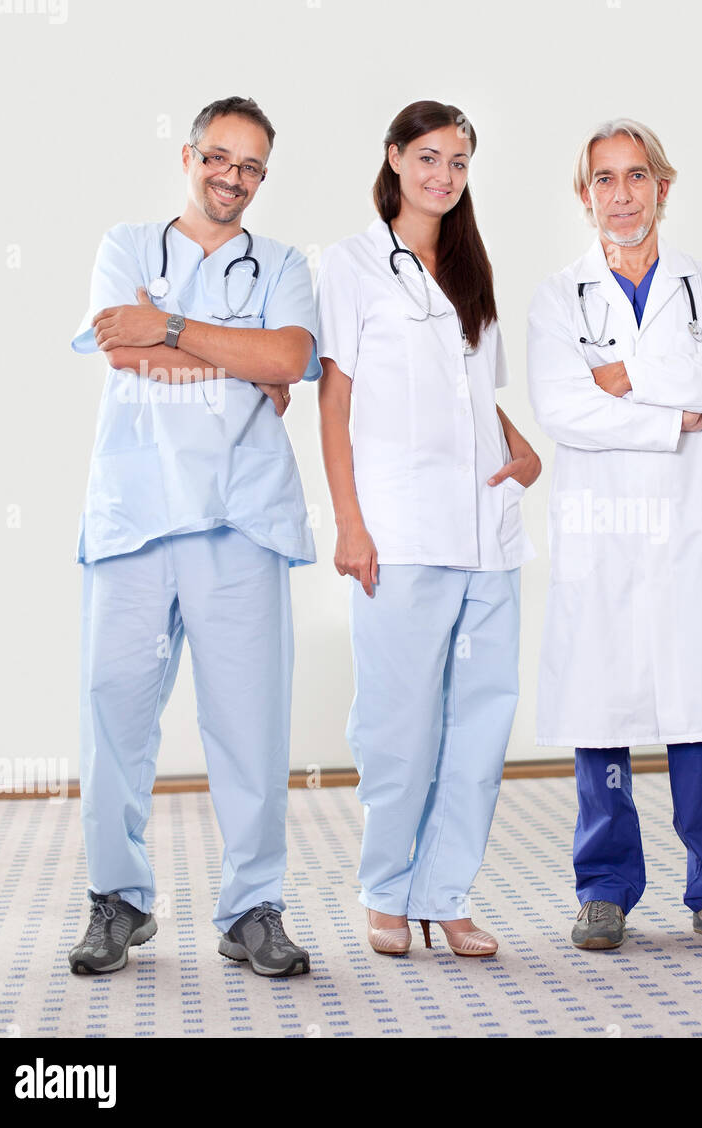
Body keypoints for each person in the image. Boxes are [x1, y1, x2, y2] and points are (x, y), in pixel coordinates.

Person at [69, 96, 318, 976]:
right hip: (136, 514)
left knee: (250, 725)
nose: (233, 179)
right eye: (219, 158)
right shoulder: (126, 246)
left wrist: (169, 327)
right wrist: (240, 356)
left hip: (242, 517)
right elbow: (120, 350)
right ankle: (118, 900)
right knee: (115, 713)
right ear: (188, 156)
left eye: (251, 167)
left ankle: (252, 907)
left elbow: (289, 360)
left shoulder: (283, 263)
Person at [528, 118, 702, 951]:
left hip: (691, 527)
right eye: (604, 179)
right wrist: (676, 414)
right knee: (602, 708)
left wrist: (630, 378)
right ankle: (604, 886)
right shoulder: (556, 295)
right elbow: (564, 408)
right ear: (584, 196)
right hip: (605, 527)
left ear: (663, 188)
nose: (622, 195)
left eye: (637, 176)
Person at [316, 101, 539, 959]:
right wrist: (350, 524)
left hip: (488, 533)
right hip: (401, 533)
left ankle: (445, 893)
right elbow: (334, 405)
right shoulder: (352, 264)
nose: (443, 175)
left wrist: (526, 455)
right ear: (395, 159)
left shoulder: (474, 267)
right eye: (429, 157)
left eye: (458, 162)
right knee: (399, 724)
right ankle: (385, 889)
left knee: (480, 726)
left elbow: (481, 398)